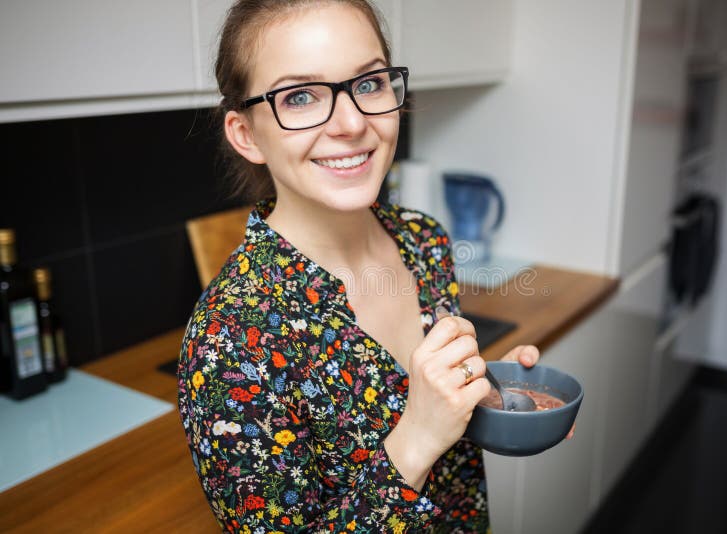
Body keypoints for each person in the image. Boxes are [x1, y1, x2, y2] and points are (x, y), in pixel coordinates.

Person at [177, 1, 542, 531]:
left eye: (369, 84)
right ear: (246, 134)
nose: (352, 124)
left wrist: (487, 397)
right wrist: (416, 436)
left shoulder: (423, 241)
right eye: (299, 96)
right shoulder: (228, 339)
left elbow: (434, 417)